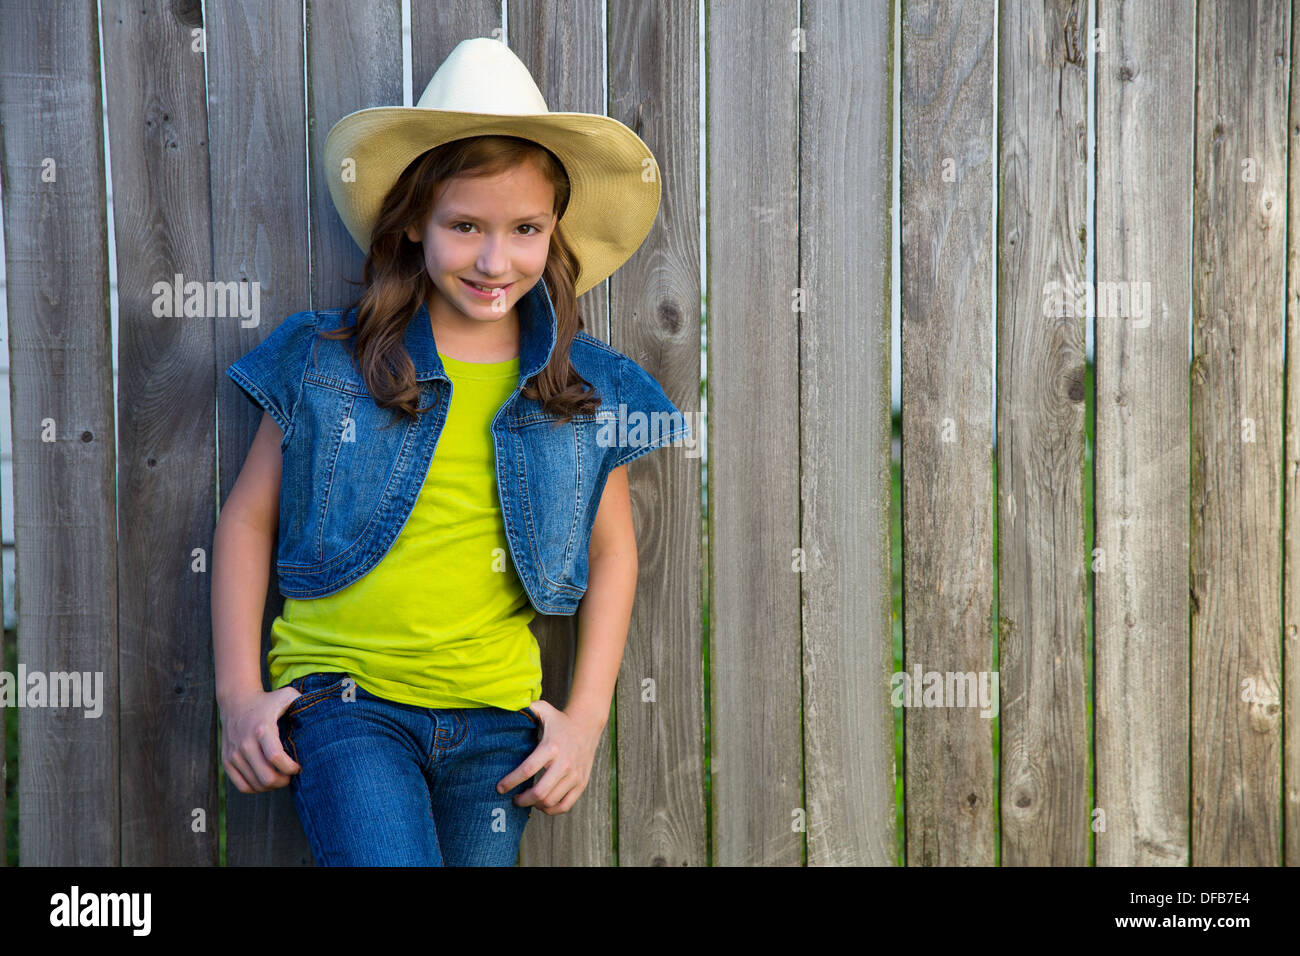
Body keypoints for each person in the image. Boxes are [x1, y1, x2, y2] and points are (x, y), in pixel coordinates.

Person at [212, 37, 689, 866]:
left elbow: (615, 550)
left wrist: (584, 723)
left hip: (499, 728)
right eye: (464, 225)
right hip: (348, 705)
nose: (494, 259)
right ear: (413, 224)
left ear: (553, 232)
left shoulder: (575, 387)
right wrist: (238, 699)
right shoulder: (328, 362)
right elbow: (249, 521)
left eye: (524, 229)